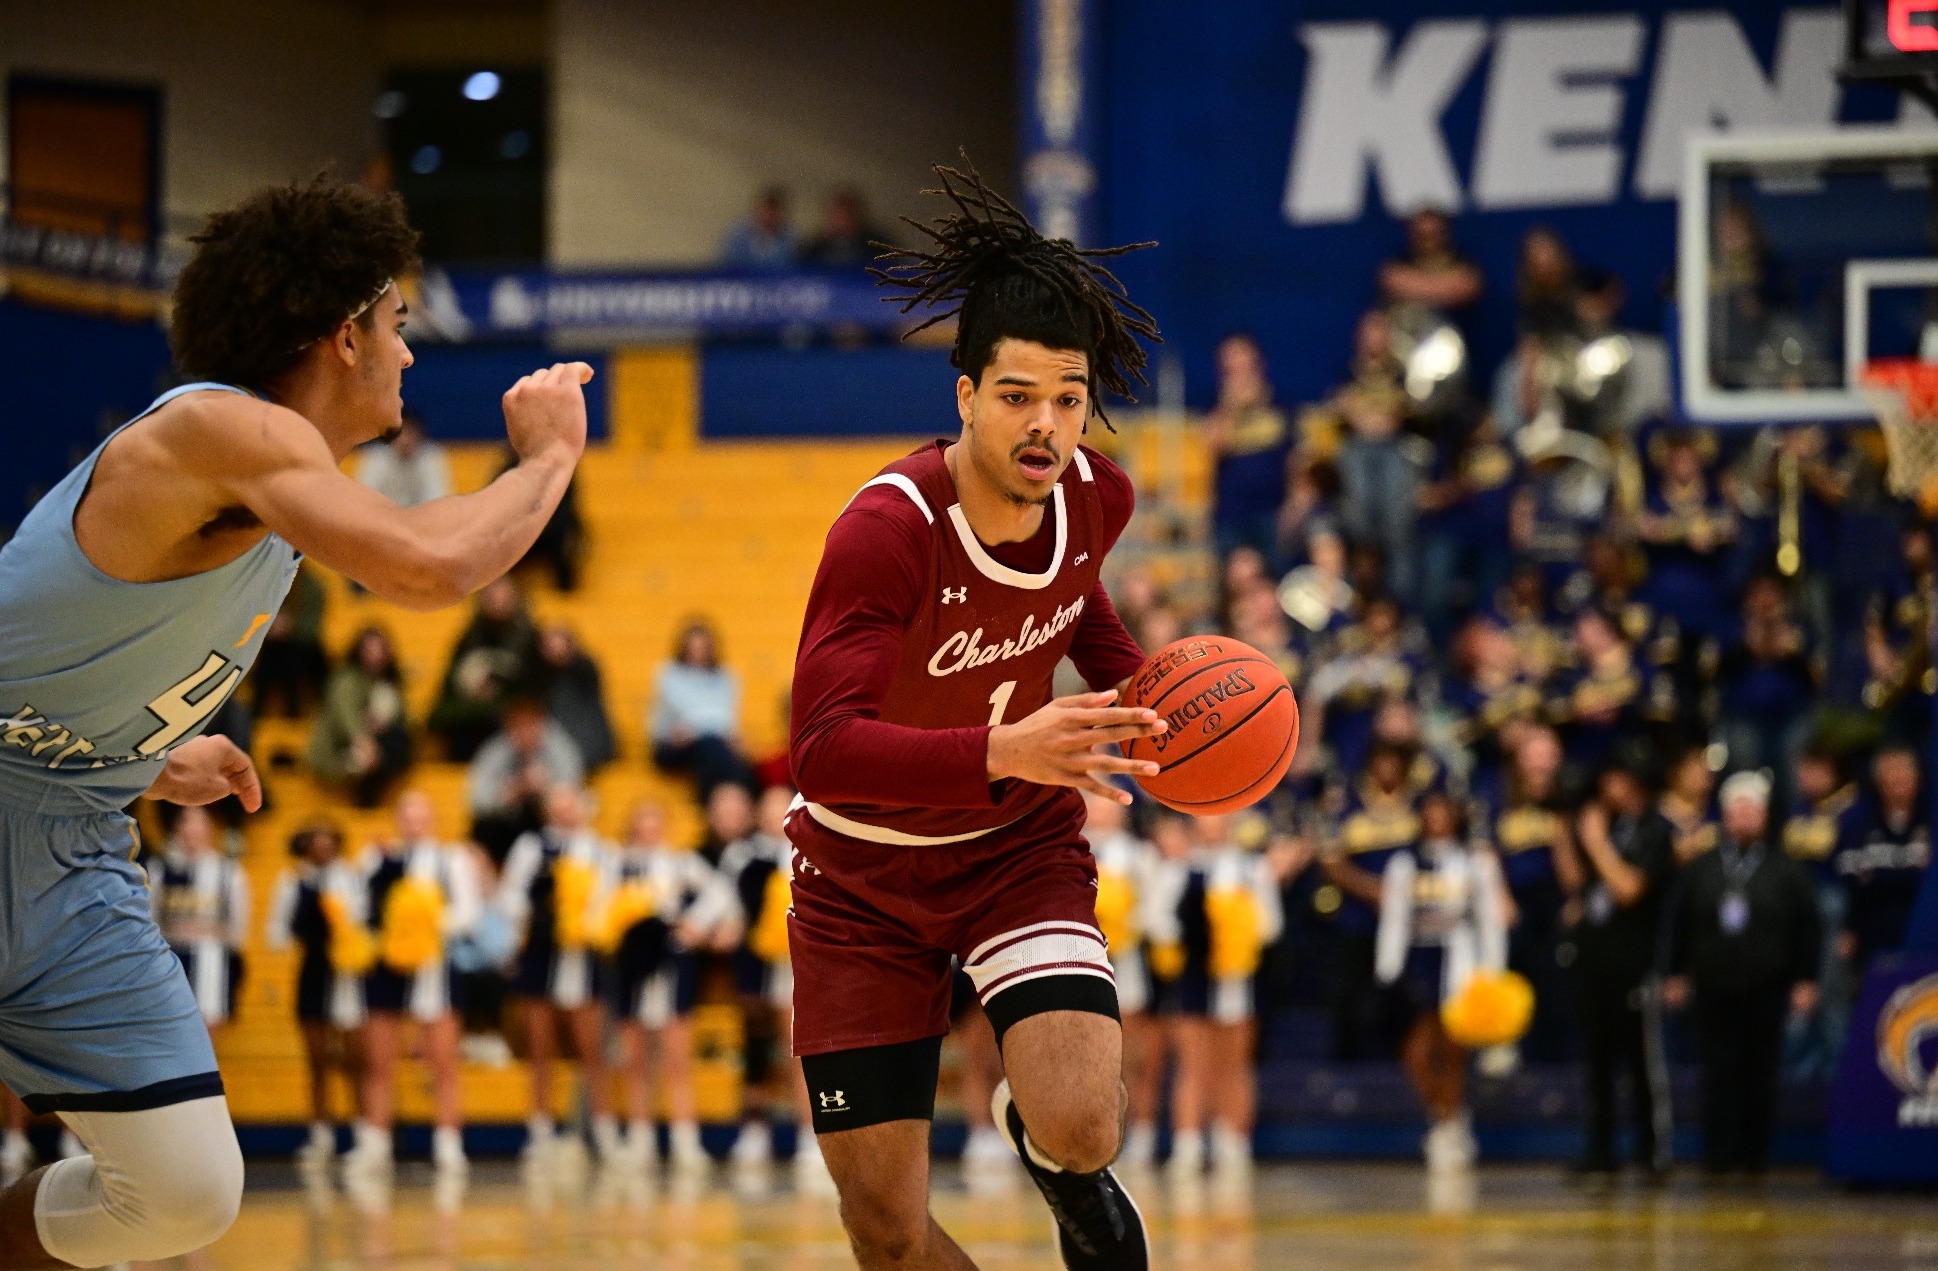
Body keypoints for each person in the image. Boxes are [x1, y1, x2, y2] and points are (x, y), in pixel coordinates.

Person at [0, 174, 588, 1270]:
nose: (410, 352)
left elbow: (68, 633)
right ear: (344, 335)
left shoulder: (273, 482)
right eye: (398, 324)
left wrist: (143, 750)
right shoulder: (220, 429)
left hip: (76, 834)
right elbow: (425, 562)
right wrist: (549, 458)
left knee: (182, 1190)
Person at [785, 163, 1163, 1270]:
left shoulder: (1100, 493)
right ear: (962, 394)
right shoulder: (887, 530)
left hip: (1014, 850)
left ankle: (1052, 1161)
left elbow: (1072, 588)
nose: (1046, 426)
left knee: (1085, 1121)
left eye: (1068, 396)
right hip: (859, 882)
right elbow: (822, 748)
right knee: (888, 1232)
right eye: (1015, 396)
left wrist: (1141, 687)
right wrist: (1007, 745)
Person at [1664, 771, 1820, 1178]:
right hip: (1714, 986)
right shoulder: (1703, 866)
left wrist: (1806, 978)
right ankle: (1717, 1157)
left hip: (1766, 985)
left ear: (1765, 816)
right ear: (1726, 816)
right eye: (1739, 809)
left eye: (1754, 809)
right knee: (1718, 1072)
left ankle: (1754, 1159)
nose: (1746, 817)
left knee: (1760, 1073)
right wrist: (1676, 972)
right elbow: (1681, 921)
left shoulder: (1785, 868)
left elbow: (1808, 924)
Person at [343, 791, 483, 1178]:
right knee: (380, 1062)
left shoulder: (451, 859)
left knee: (444, 1062)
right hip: (386, 969)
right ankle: (375, 1145)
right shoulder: (376, 858)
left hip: (435, 967)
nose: (413, 823)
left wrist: (426, 925)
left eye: (421, 816)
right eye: (406, 815)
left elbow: (469, 912)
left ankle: (449, 1144)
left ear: (433, 820)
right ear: (397, 820)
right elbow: (358, 908)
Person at [602, 800, 737, 1173]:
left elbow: (721, 893)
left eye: (654, 826)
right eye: (641, 827)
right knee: (634, 1057)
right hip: (631, 965)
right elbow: (597, 908)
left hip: (672, 962)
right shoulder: (616, 865)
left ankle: (684, 1137)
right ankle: (639, 1136)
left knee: (677, 1056)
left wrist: (693, 926)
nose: (648, 834)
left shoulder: (681, 863)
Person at [1375, 790, 1506, 1172]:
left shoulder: (1475, 861)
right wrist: (1387, 970)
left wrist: (1492, 972)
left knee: (1453, 1051)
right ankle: (1445, 1116)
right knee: (1415, 1051)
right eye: (1429, 811)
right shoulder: (1404, 863)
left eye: (1443, 810)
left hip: (1460, 960)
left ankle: (1451, 1124)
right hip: (1418, 959)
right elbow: (1395, 919)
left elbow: (1489, 919)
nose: (1436, 818)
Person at [498, 783, 618, 1165]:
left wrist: (588, 920)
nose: (565, 811)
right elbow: (510, 897)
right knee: (540, 1048)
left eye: (571, 803)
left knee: (592, 1050)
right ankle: (540, 1130)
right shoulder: (531, 847)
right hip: (542, 954)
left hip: (587, 957)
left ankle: (604, 1131)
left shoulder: (602, 850)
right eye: (557, 803)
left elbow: (612, 899)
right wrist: (536, 909)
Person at [1568, 761, 1676, 1178]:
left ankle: (1651, 1152)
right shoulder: (1607, 826)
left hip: (1635, 962)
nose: (1605, 788)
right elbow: (1576, 883)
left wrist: (1595, 842)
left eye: (1613, 778)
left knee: (1640, 1062)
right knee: (1596, 1062)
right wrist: (1571, 829)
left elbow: (1628, 889)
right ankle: (1600, 1151)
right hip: (1595, 959)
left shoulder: (1654, 831)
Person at [717, 785, 818, 1175]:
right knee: (755, 1047)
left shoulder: (809, 849)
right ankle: (754, 1128)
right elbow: (724, 902)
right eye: (769, 806)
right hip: (756, 965)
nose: (776, 813)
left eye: (784, 806)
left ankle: (809, 1132)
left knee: (800, 1049)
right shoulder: (743, 855)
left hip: (801, 964)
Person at [262, 820, 366, 1170]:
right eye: (315, 844)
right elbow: (275, 933)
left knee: (354, 1059)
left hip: (347, 973)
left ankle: (362, 1135)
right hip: (313, 971)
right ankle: (321, 1134)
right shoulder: (293, 881)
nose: (322, 850)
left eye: (328, 843)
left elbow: (364, 922)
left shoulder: (351, 878)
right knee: (317, 1058)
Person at [1078, 792, 1161, 1171]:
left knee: (1133, 1055)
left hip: (1125, 964)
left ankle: (1140, 1134)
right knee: (1081, 1056)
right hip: (1078, 959)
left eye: (1106, 801)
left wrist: (1126, 925)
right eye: (1092, 801)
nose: (1100, 809)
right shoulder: (1069, 848)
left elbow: (1155, 908)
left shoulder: (1140, 855)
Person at [149, 806, 251, 1034]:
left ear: (210, 829)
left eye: (199, 823)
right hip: (169, 958)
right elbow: (150, 918)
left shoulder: (229, 871)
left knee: (208, 1027)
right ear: (177, 828)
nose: (192, 829)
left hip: (212, 958)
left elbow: (238, 926)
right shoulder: (160, 868)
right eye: (186, 822)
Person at [1837, 745, 1933, 978]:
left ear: (1918, 777)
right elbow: (1853, 884)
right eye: (1892, 772)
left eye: (1904, 771)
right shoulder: (1858, 824)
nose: (1898, 777)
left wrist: (1880, 874)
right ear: (1878, 781)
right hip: (1871, 933)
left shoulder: (1930, 821)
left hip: (1924, 931)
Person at [1203, 333, 1292, 567]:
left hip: (1273, 512)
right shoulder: (1217, 407)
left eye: (1246, 366)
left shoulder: (1280, 404)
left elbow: (1295, 459)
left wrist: (1293, 507)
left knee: (1274, 580)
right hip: (1232, 514)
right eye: (1232, 368)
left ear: (1259, 365)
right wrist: (1232, 406)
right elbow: (1214, 445)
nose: (1240, 375)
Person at [429, 577, 540, 761]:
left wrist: (501, 686)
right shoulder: (471, 635)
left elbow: (534, 678)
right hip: (471, 703)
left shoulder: (529, 636)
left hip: (512, 704)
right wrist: (473, 686)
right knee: (457, 722)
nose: (498, 604)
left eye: (504, 598)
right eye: (494, 598)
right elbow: (453, 675)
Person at [467, 696, 585, 863]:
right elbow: (477, 801)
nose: (525, 733)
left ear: (542, 724)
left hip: (546, 822)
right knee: (483, 829)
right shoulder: (495, 751)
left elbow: (573, 791)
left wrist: (546, 791)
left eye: (530, 725)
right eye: (519, 726)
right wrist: (511, 792)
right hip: (507, 824)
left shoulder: (560, 749)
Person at [306, 624, 413, 808]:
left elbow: (401, 722)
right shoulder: (347, 679)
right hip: (338, 748)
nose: (375, 655)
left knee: (397, 741)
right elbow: (344, 712)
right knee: (372, 752)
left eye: (379, 649)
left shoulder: (388, 686)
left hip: (374, 744)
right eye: (370, 649)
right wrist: (362, 740)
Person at [650, 620, 756, 801]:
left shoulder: (726, 676)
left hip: (709, 744)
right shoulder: (669, 674)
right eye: (693, 647)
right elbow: (677, 717)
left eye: (701, 647)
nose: (697, 652)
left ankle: (715, 799)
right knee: (713, 747)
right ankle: (735, 797)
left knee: (711, 746)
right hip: (672, 746)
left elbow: (725, 719)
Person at [534, 624, 615, 773]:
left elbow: (587, 669)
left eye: (560, 646)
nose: (555, 652)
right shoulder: (538, 682)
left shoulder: (584, 673)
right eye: (549, 647)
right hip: (558, 752)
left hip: (589, 748)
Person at [354, 408, 451, 508]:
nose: (405, 440)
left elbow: (438, 500)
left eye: (410, 433)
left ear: (419, 434)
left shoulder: (431, 457)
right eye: (399, 433)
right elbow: (365, 500)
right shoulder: (376, 458)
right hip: (381, 519)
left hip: (419, 520)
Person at [720, 185, 799, 270]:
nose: (770, 215)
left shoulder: (791, 237)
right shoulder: (738, 235)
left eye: (775, 211)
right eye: (767, 210)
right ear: (758, 209)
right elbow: (729, 265)